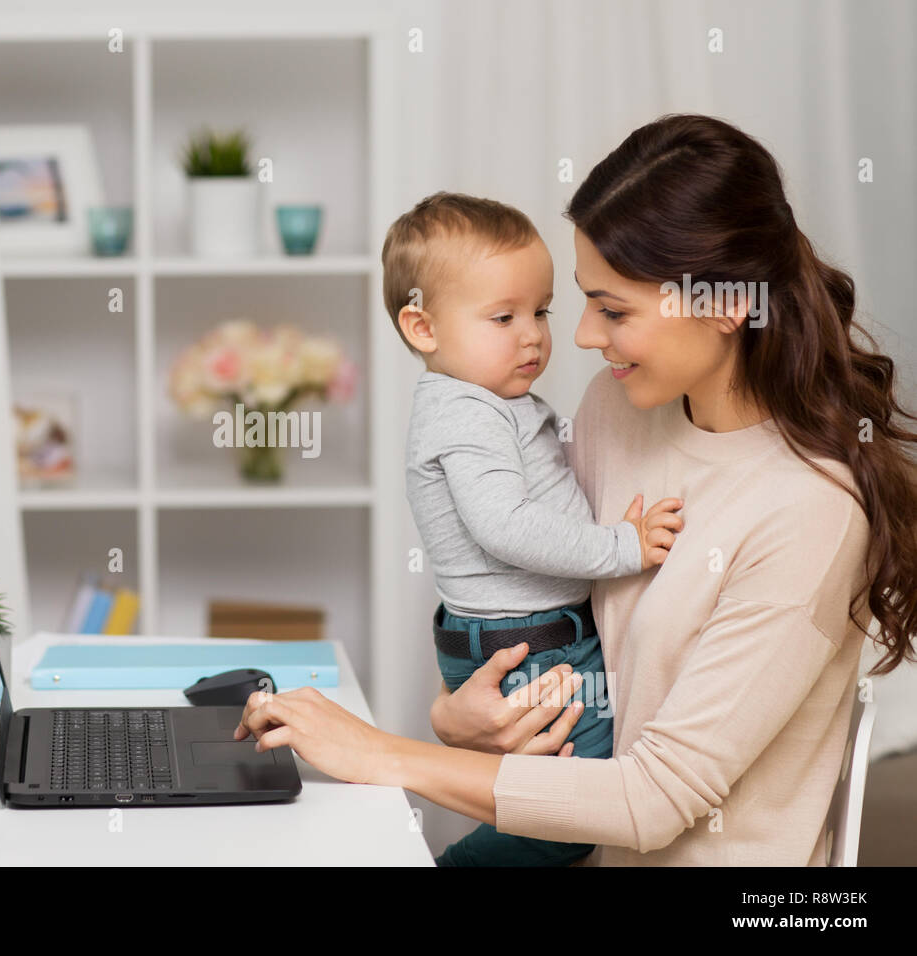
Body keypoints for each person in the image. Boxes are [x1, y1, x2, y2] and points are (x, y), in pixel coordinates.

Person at [233, 113, 917, 865]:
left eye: (614, 310)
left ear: (725, 304)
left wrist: (380, 755)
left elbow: (653, 800)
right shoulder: (614, 411)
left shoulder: (810, 513)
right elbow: (530, 594)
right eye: (584, 301)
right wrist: (458, 717)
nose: (584, 337)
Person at [384, 191, 683, 865]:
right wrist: (622, 547)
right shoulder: (466, 414)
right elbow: (506, 527)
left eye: (541, 310)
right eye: (503, 316)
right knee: (569, 811)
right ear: (423, 328)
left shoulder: (490, 402)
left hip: (524, 637)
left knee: (562, 808)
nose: (534, 334)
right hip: (529, 648)